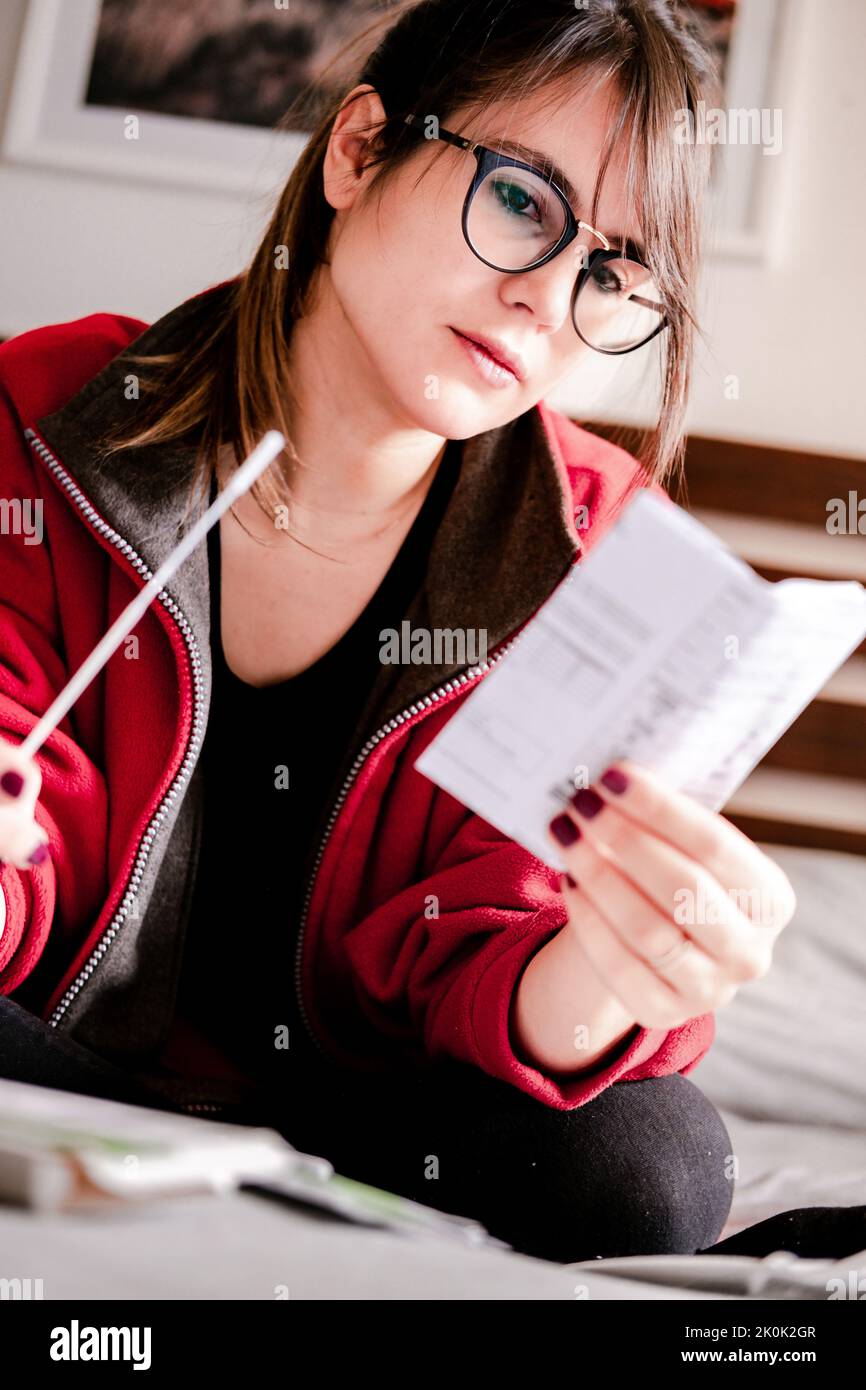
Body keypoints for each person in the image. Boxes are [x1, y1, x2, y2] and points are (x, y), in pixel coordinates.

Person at [0, 0, 797, 1263]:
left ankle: (249, 1199)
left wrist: (609, 977)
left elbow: (498, 945)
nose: (543, 299)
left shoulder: (602, 558)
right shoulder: (44, 417)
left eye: (610, 271)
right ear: (359, 152)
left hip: (376, 1127)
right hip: (58, 1065)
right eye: (524, 203)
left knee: (650, 1163)